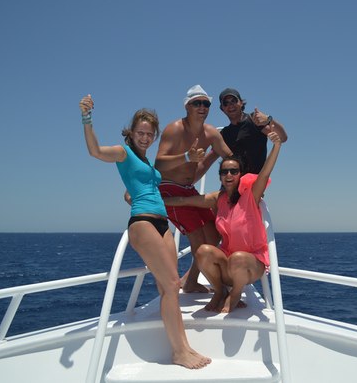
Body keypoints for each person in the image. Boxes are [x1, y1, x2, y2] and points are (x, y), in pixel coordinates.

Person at [78, 94, 210, 369]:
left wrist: (132, 194)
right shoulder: (123, 153)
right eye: (141, 132)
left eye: (150, 134)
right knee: (172, 284)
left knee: (168, 286)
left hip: (162, 223)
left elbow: (138, 187)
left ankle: (184, 346)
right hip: (143, 223)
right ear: (131, 132)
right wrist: (87, 118)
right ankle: (179, 352)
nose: (145, 137)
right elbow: (95, 151)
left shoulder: (147, 163)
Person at [163, 126, 282, 313]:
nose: (229, 175)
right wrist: (148, 200)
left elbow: (265, 173)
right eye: (224, 172)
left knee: (238, 258)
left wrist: (276, 146)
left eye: (234, 171)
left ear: (240, 174)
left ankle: (235, 294)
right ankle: (220, 291)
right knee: (202, 251)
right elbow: (183, 201)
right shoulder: (218, 198)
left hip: (251, 264)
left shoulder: (251, 195)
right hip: (228, 264)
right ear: (220, 176)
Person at [154, 85, 233, 293]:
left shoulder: (211, 133)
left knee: (214, 232)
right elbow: (159, 164)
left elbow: (230, 157)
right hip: (168, 188)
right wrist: (187, 157)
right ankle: (196, 284)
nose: (202, 107)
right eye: (197, 103)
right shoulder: (175, 129)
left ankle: (190, 280)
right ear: (187, 106)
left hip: (189, 189)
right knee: (197, 236)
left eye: (206, 103)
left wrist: (248, 181)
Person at [198, 87, 288, 176]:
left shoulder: (254, 121)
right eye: (226, 103)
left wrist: (269, 119)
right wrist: (189, 182)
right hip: (233, 183)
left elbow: (282, 138)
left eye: (233, 101)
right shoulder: (223, 135)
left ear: (241, 103)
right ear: (222, 108)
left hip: (256, 182)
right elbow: (205, 163)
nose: (230, 105)